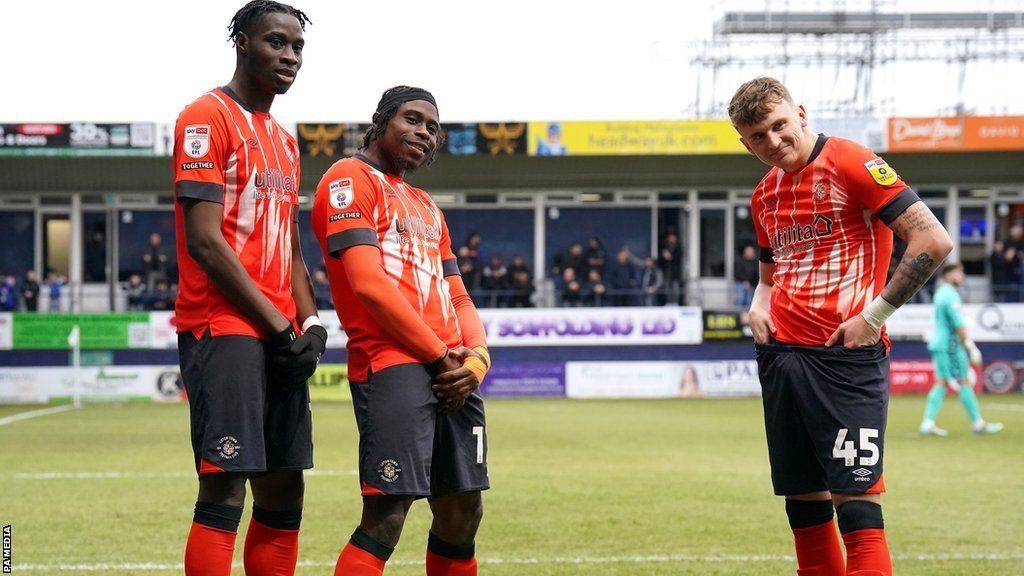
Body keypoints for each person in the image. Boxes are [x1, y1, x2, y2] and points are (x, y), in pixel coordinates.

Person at [730, 76, 952, 576]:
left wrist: (873, 318)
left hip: (843, 359)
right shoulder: (765, 193)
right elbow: (770, 275)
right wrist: (758, 302)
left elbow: (932, 242)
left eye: (779, 125)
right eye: (758, 137)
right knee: (804, 510)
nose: (774, 142)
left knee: (856, 508)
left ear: (801, 114)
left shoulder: (851, 161)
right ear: (745, 144)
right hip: (782, 357)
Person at [311, 86, 491, 576]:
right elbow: (368, 284)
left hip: (452, 369)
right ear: (381, 121)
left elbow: (458, 294)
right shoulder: (349, 178)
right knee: (388, 515)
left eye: (433, 129)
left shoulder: (428, 206)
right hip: (394, 364)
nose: (424, 133)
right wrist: (439, 356)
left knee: (463, 513)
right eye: (412, 120)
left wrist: (476, 359)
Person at [171, 4, 322, 576]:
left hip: (281, 333)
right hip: (225, 326)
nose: (289, 57)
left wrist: (309, 324)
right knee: (225, 488)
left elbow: (287, 247)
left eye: (297, 48)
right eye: (276, 42)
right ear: (241, 41)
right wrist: (281, 325)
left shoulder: (285, 141)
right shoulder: (206, 117)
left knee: (284, 493)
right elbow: (207, 243)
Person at [920, 263, 1003, 437]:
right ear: (949, 275)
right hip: (950, 345)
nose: (962, 276)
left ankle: (927, 424)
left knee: (942, 382)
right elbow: (959, 324)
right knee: (963, 381)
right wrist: (970, 347)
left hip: (940, 344)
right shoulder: (950, 296)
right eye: (958, 273)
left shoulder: (941, 293)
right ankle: (978, 424)